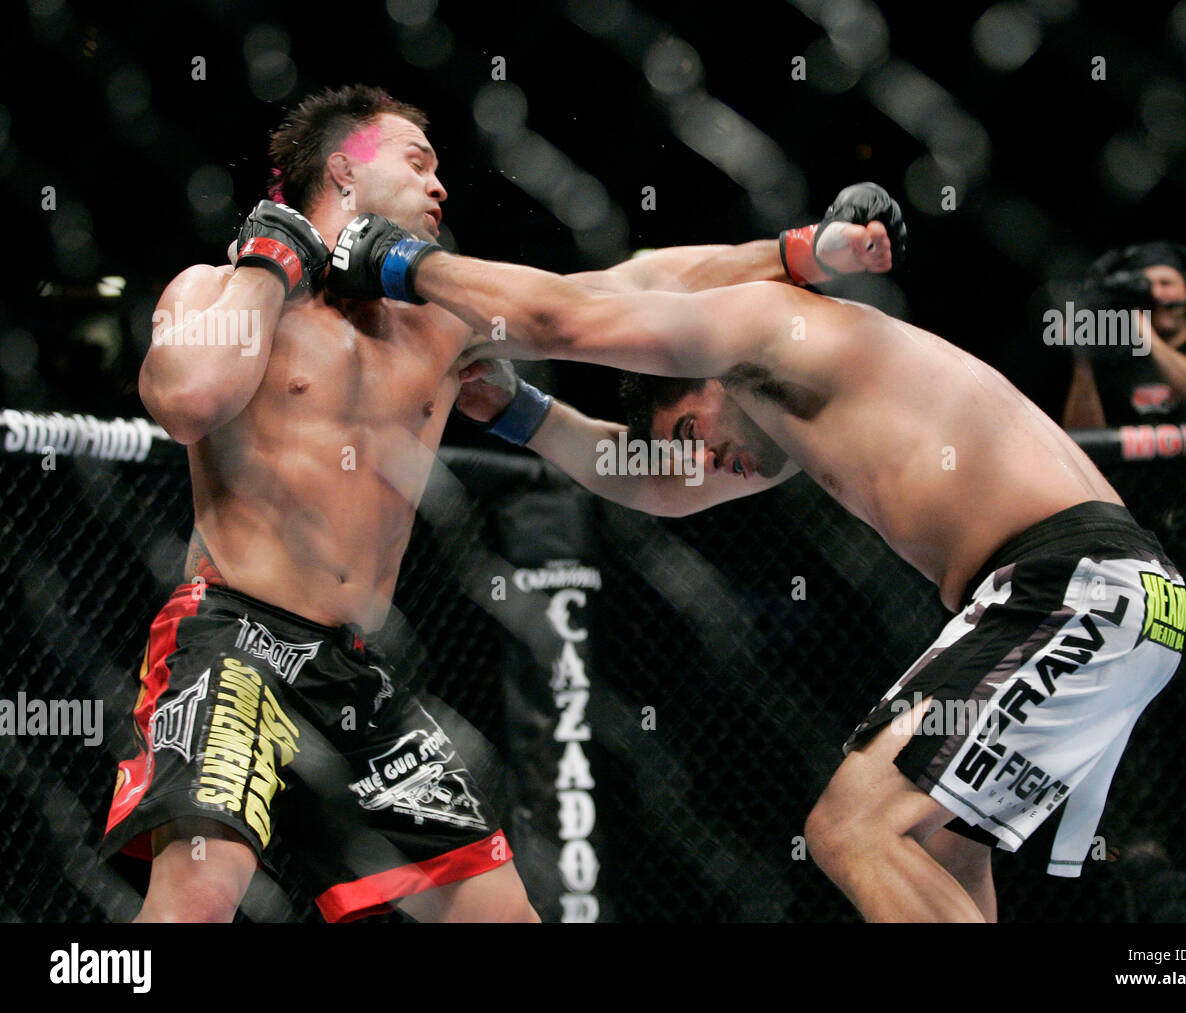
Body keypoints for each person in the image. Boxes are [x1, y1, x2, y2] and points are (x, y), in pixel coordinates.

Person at [100, 83, 898, 922]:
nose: (440, 184)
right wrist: (270, 262)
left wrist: (802, 251)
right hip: (234, 634)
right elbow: (188, 400)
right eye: (417, 162)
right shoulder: (220, 289)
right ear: (343, 171)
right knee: (196, 896)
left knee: (500, 915)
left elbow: (628, 284)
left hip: (349, 664)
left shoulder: (440, 328)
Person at [324, 208, 1186, 922]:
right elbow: (662, 486)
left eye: (690, 435)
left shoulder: (765, 327)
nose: (704, 465)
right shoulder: (801, 411)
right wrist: (522, 411)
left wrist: (404, 261)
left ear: (697, 378)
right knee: (934, 843)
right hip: (1100, 593)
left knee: (854, 830)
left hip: (1069, 585)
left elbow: (562, 315)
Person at [1062, 241, 1186, 427]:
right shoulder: (1117, 366)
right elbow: (1082, 439)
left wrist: (1147, 337)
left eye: (1166, 283)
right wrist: (1083, 358)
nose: (1156, 294)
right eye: (1145, 286)